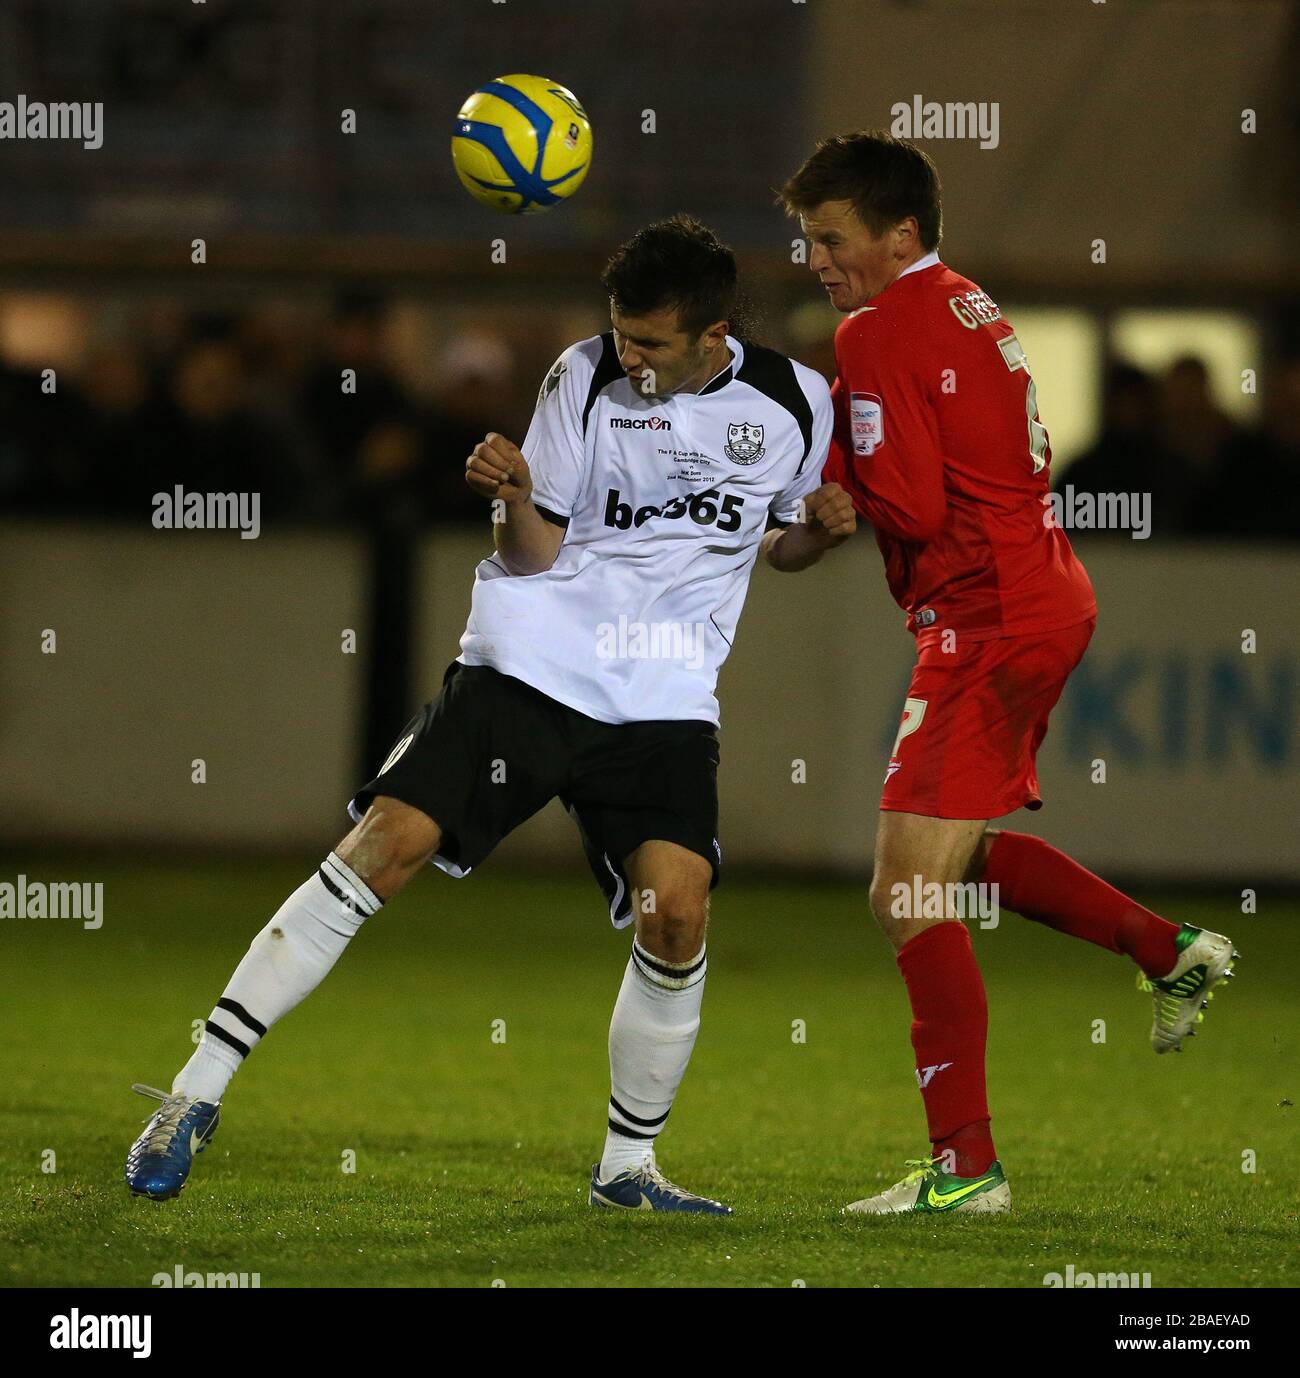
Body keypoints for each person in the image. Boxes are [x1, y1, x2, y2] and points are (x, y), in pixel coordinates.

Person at [124, 215, 855, 1213]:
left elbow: (782, 547)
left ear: (711, 331)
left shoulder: (794, 403)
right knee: (384, 846)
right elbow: (534, 555)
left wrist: (819, 530)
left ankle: (626, 1170)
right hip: (530, 668)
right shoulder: (582, 376)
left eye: (649, 343)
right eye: (621, 335)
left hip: (664, 700)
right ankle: (190, 1095)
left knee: (677, 915)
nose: (628, 356)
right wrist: (512, 496)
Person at [780, 132, 1237, 1215]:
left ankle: (967, 1168)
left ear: (899, 236)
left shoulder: (878, 327)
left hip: (985, 618)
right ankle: (1165, 949)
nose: (817, 260)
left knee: (907, 888)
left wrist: (829, 499)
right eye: (807, 242)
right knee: (957, 853)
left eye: (832, 239)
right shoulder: (967, 303)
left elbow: (915, 504)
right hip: (1036, 595)